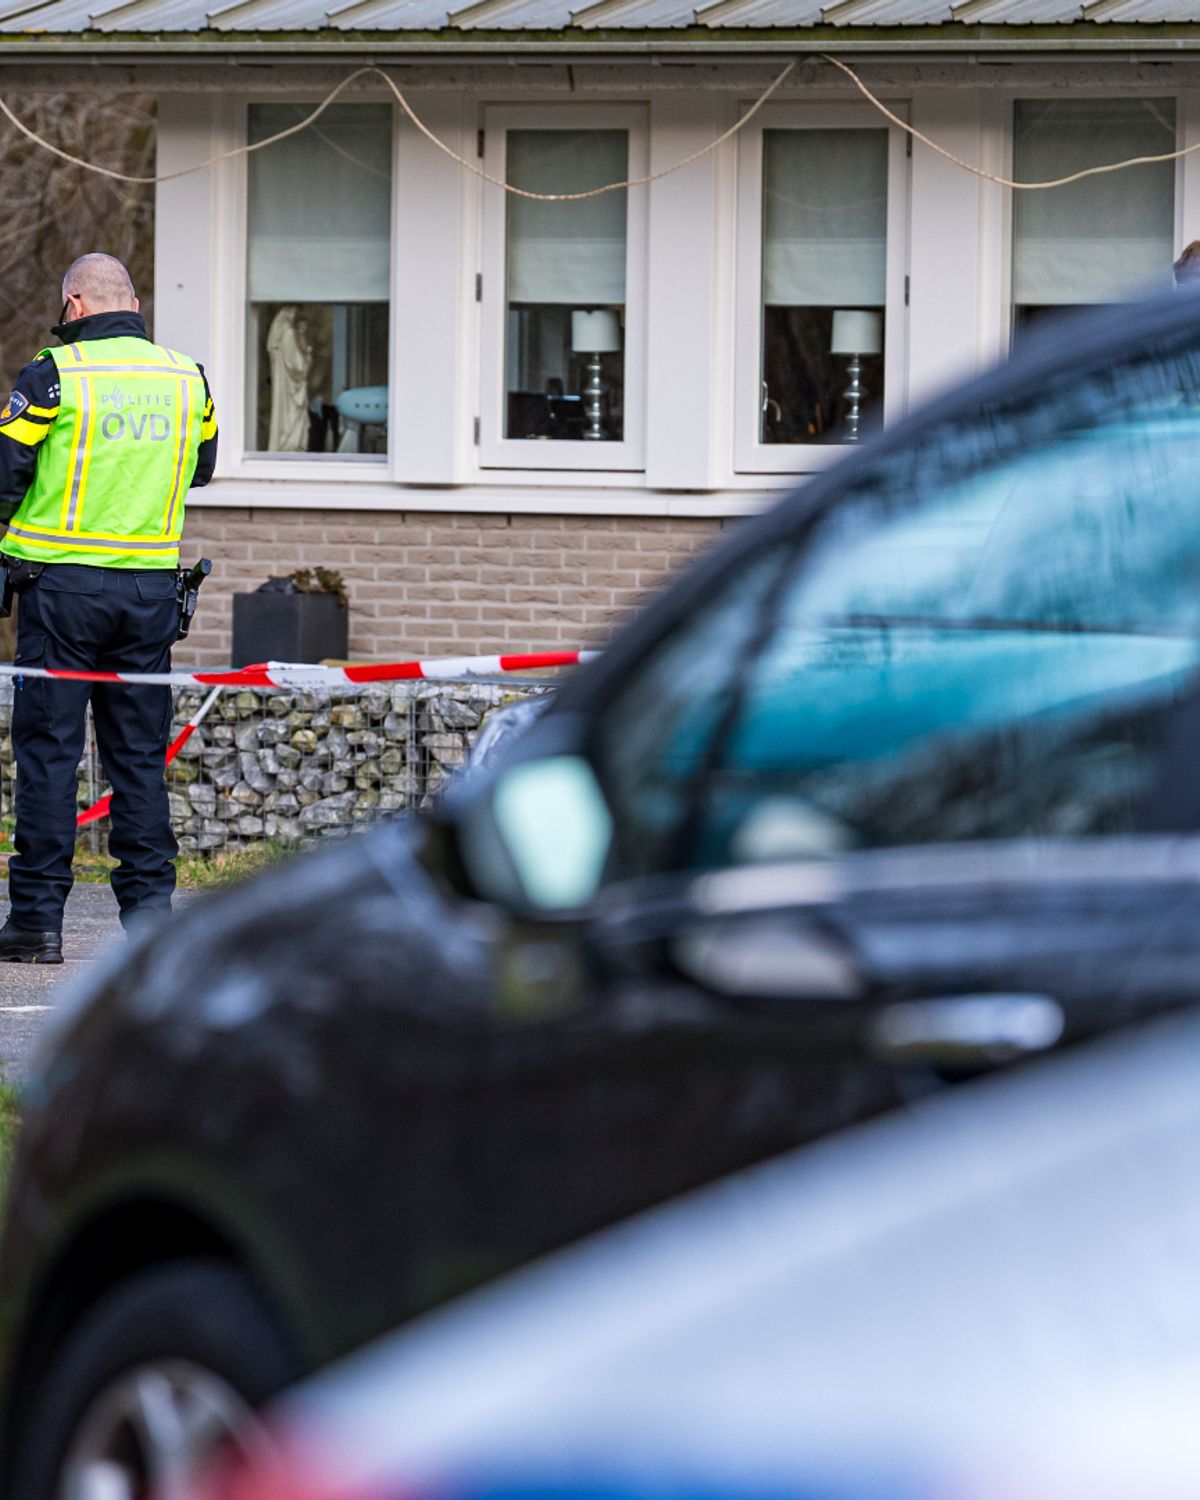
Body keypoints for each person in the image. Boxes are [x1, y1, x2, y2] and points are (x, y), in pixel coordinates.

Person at [0, 252, 217, 962]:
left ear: (77, 304)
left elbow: (5, 472)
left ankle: (35, 925)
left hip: (62, 593)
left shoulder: (54, 374)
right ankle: (152, 930)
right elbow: (204, 467)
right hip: (151, 594)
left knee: (50, 757)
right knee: (138, 762)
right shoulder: (188, 377)